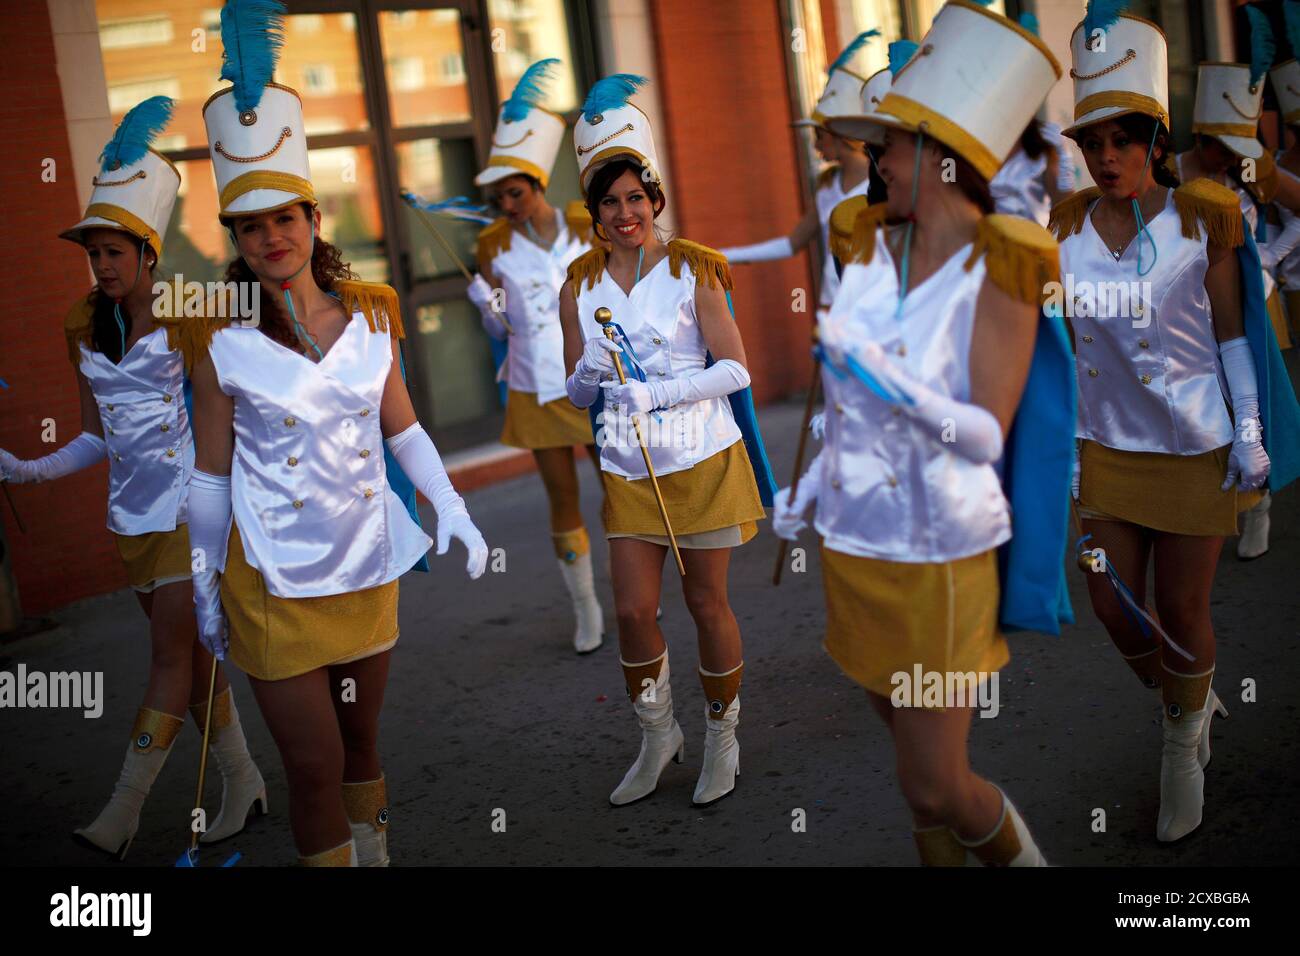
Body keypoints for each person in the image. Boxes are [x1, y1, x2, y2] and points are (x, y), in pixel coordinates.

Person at [186, 0, 488, 866]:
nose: (271, 237)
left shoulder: (372, 317)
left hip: (364, 564)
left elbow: (405, 432)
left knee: (360, 750)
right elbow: (209, 478)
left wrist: (453, 510)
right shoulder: (219, 340)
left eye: (285, 218)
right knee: (312, 768)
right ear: (236, 242)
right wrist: (205, 582)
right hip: (272, 583)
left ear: (315, 223)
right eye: (251, 225)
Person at [774, 0, 1070, 866]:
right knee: (912, 774)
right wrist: (813, 484)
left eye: (890, 147)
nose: (876, 163)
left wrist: (884, 377)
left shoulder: (1003, 261)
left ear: (942, 159)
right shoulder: (870, 247)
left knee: (939, 782)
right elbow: (850, 410)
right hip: (857, 544)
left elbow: (984, 434)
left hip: (941, 554)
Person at [1050, 2, 1300, 842]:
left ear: (1152, 140)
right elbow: (1058, 340)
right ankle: (1185, 696)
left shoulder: (1204, 221)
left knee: (1182, 611)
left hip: (1195, 445)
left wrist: (1253, 431)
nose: (1107, 157)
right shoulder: (1066, 228)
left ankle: (1180, 739)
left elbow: (1235, 337)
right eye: (1093, 143)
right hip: (1105, 450)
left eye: (1122, 140)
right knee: (1112, 605)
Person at [0, 96, 264, 859]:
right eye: (94, 255)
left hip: (193, 513)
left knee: (169, 662)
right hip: (133, 525)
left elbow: (244, 380)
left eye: (115, 252)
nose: (103, 266)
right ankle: (243, 780)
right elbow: (93, 437)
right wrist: (26, 467)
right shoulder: (83, 326)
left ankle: (121, 813)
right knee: (196, 662)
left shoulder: (192, 314)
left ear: (148, 252)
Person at [561, 74, 776, 807]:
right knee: (630, 610)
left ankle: (722, 736)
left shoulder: (695, 268)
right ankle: (658, 736)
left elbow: (737, 368)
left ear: (654, 200)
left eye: (634, 198)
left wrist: (660, 392)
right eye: (609, 201)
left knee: (706, 604)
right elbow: (576, 396)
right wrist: (589, 371)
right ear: (594, 211)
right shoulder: (578, 285)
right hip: (627, 467)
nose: (624, 213)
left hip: (702, 458)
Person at [467, 58, 605, 653]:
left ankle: (635, 585)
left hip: (599, 375)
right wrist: (484, 301)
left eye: (515, 190)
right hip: (537, 386)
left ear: (538, 184)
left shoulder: (585, 224)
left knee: (622, 486)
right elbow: (499, 329)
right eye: (499, 196)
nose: (507, 202)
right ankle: (587, 608)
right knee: (563, 496)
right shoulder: (491, 246)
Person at [720, 33, 877, 314]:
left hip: (872, 306)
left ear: (840, 136)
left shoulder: (882, 182)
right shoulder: (828, 186)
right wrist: (727, 255)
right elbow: (792, 243)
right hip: (833, 306)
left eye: (820, 136)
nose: (816, 146)